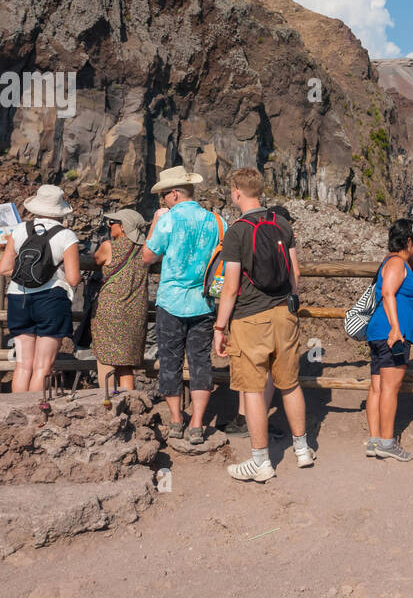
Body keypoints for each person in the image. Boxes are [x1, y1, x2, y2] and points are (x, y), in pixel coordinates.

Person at [214, 169, 310, 484]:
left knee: (253, 389)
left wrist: (220, 327)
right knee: (290, 383)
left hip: (249, 318)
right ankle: (303, 450)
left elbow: (230, 287)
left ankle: (260, 462)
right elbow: (295, 273)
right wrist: (291, 304)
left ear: (237, 192)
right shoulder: (281, 223)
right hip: (285, 313)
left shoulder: (237, 231)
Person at [142, 166, 224, 444]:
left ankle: (177, 420)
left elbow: (147, 256)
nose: (163, 199)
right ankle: (198, 424)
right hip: (203, 302)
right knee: (201, 362)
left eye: (164, 195)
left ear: (174, 194)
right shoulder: (216, 220)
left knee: (170, 362)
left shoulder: (168, 220)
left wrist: (155, 221)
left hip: (171, 300)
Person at [0, 185, 81, 394]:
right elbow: (73, 278)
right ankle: (36, 417)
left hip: (19, 298)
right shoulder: (66, 236)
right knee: (42, 366)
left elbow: (4, 268)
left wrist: (28, 274)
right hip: (52, 300)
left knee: (23, 364)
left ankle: (16, 416)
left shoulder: (18, 231)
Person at [364, 218, 413, 462]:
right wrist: (396, 329)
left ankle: (375, 440)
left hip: (378, 332)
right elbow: (388, 292)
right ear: (408, 241)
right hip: (392, 334)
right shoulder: (398, 264)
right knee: (390, 388)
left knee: (377, 386)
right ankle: (388, 442)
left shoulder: (393, 261)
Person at [90, 209, 149, 393]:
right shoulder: (146, 249)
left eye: (112, 223)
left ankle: (108, 405)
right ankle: (129, 404)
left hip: (111, 308)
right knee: (126, 363)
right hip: (135, 310)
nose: (109, 226)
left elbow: (96, 259)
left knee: (106, 358)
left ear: (123, 227)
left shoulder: (109, 246)